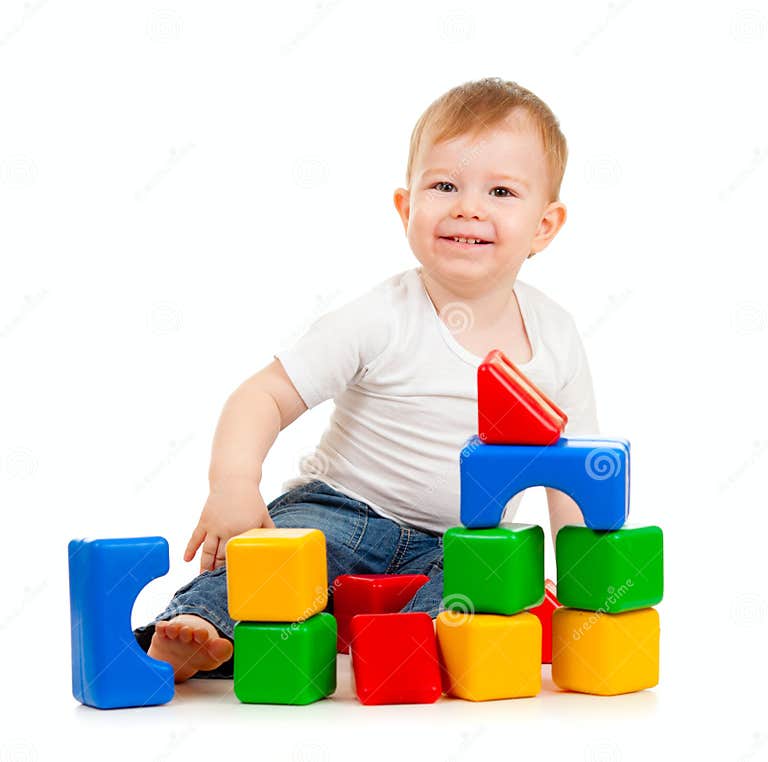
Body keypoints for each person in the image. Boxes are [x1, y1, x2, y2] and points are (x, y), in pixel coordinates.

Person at [133, 76, 600, 682]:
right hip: (345, 509)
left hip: (463, 540)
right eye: (444, 186)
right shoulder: (381, 317)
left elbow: (573, 471)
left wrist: (584, 583)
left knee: (480, 585)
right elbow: (264, 395)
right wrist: (233, 483)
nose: (468, 207)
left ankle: (418, 643)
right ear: (407, 208)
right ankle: (202, 628)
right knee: (283, 551)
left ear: (544, 225)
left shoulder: (556, 338)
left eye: (502, 191)